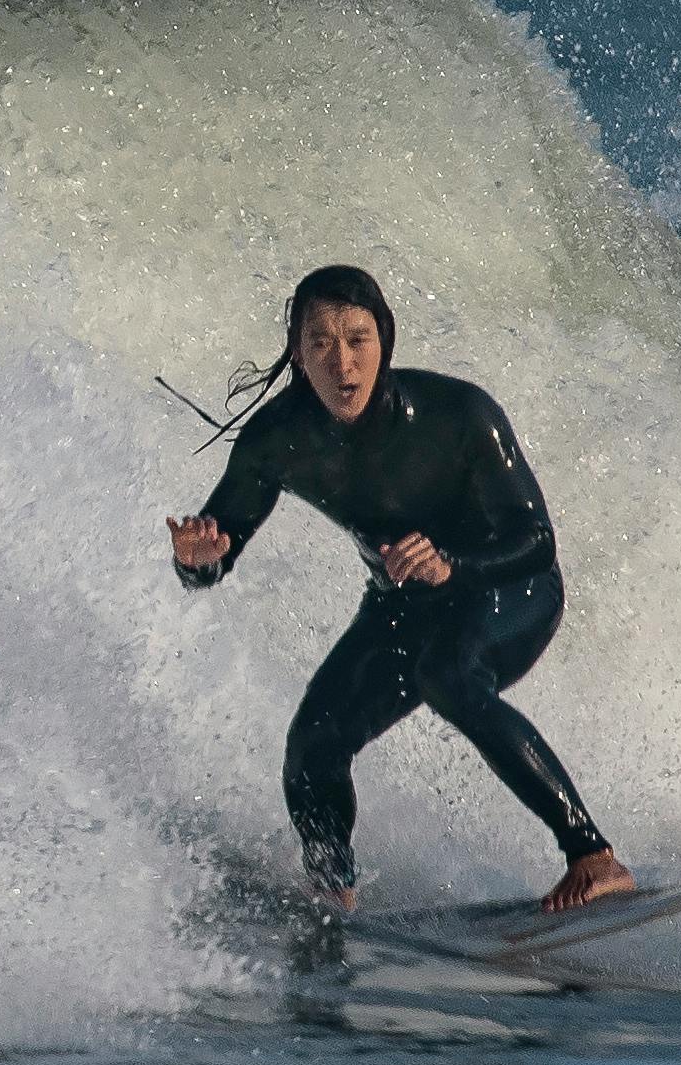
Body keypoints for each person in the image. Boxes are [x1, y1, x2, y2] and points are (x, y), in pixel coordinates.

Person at [169, 261, 629, 919]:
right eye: (320, 342)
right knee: (315, 742)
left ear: (385, 340)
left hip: (508, 589)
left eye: (358, 338)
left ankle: (594, 858)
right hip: (405, 604)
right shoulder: (277, 440)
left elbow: (536, 539)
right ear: (298, 352)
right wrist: (198, 560)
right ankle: (332, 888)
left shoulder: (459, 415)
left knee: (450, 675)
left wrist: (453, 564)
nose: (341, 362)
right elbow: (223, 544)